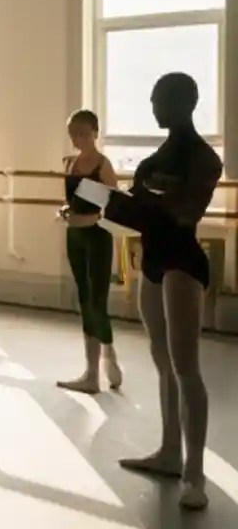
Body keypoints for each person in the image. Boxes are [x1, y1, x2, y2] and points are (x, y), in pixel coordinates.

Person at [117, 72, 222, 512]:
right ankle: (168, 451)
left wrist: (154, 197)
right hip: (154, 264)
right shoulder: (153, 160)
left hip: (182, 263)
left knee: (185, 367)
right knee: (162, 362)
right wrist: (93, 204)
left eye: (159, 99)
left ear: (183, 102)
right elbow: (137, 213)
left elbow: (186, 212)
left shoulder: (203, 158)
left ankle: (194, 474)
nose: (153, 106)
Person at [56, 110, 122, 394]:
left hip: (96, 236)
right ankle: (92, 370)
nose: (77, 139)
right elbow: (73, 200)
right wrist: (66, 210)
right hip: (75, 236)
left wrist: (95, 218)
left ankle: (106, 358)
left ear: (95, 132)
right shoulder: (70, 163)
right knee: (85, 299)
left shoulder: (102, 164)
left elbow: (116, 202)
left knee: (97, 300)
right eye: (73, 134)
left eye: (82, 133)